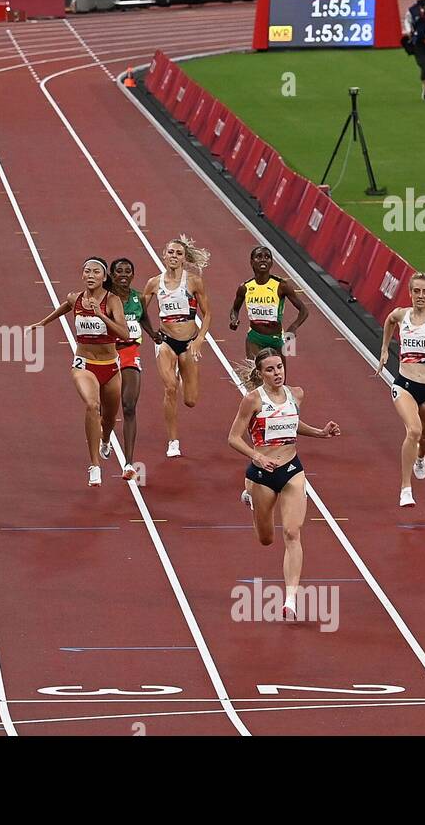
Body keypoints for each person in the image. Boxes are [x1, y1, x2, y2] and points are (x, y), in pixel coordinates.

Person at [227, 349, 341, 620]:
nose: (277, 373)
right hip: (262, 473)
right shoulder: (252, 400)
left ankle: (290, 599)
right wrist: (256, 456)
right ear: (260, 373)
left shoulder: (296, 394)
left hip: (291, 470)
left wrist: (320, 433)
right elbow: (233, 437)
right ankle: (250, 494)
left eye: (279, 367)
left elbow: (291, 423)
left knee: (292, 533)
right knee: (266, 539)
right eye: (270, 369)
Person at [30, 258, 132, 486]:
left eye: (96, 272)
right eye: (87, 271)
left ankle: (105, 438)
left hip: (110, 366)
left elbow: (124, 334)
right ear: (82, 275)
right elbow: (66, 306)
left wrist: (101, 315)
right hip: (84, 364)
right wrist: (43, 323)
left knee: (109, 418)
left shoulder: (112, 301)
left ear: (104, 277)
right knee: (92, 405)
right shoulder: (75, 298)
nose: (91, 275)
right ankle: (95, 465)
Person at [229, 245, 309, 507]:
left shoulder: (281, 285)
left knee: (278, 388)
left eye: (267, 257)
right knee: (258, 387)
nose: (263, 260)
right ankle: (256, 427)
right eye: (258, 257)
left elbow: (304, 310)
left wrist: (292, 328)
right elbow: (234, 309)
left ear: (271, 262)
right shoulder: (245, 288)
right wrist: (234, 319)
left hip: (276, 340)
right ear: (251, 261)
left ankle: (280, 424)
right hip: (254, 338)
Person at [375, 272, 425, 508]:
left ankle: (420, 457)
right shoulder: (402, 314)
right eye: (416, 291)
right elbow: (389, 320)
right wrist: (384, 349)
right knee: (413, 430)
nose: (420, 295)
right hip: (404, 385)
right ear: (410, 292)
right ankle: (405, 489)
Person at [142, 235, 211, 459]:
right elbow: (139, 310)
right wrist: (151, 334)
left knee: (190, 400)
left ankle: (182, 372)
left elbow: (208, 314)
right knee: (170, 388)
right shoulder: (154, 283)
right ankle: (173, 441)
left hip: (189, 343)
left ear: (184, 258)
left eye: (178, 253)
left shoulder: (194, 282)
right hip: (166, 342)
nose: (174, 256)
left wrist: (200, 339)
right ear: (164, 255)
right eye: (170, 252)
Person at [110, 257, 154, 481]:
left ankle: (128, 463)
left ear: (133, 275)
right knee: (105, 408)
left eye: (128, 271)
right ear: (112, 275)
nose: (124, 275)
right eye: (119, 271)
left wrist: (154, 335)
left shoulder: (138, 297)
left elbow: (143, 318)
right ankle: (105, 438)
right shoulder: (106, 297)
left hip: (129, 353)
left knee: (129, 406)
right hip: (107, 354)